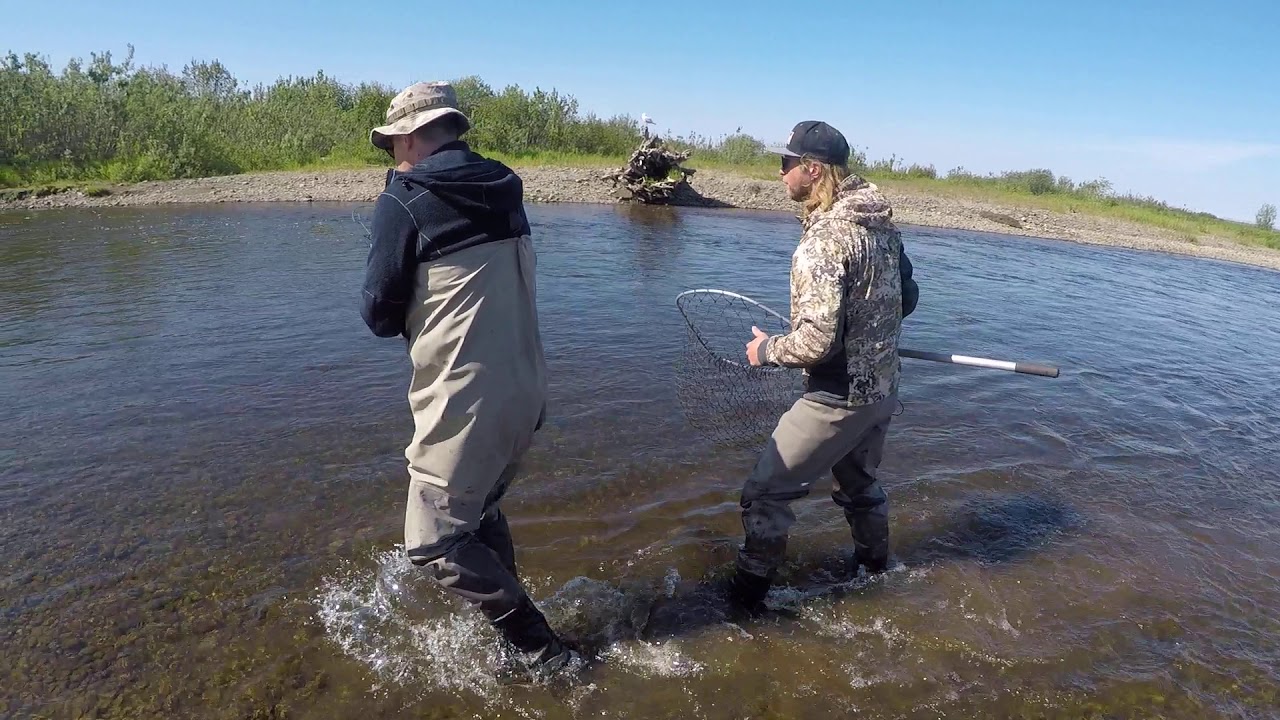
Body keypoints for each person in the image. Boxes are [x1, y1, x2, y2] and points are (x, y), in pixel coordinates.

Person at [359, 81, 580, 676]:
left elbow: (379, 313)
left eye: (391, 147)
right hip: (527, 390)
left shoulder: (405, 198)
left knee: (432, 541)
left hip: (466, 399)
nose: (392, 158)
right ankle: (514, 645)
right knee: (477, 513)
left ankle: (545, 655)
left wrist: (393, 203)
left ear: (408, 137)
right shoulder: (507, 189)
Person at [731, 120, 919, 616]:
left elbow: (814, 342)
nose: (780, 173)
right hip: (882, 390)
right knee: (858, 487)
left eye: (787, 164)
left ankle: (745, 604)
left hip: (837, 396)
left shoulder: (824, 241)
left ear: (812, 171)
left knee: (764, 494)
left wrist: (767, 351)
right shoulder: (883, 229)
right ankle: (874, 570)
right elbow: (909, 298)